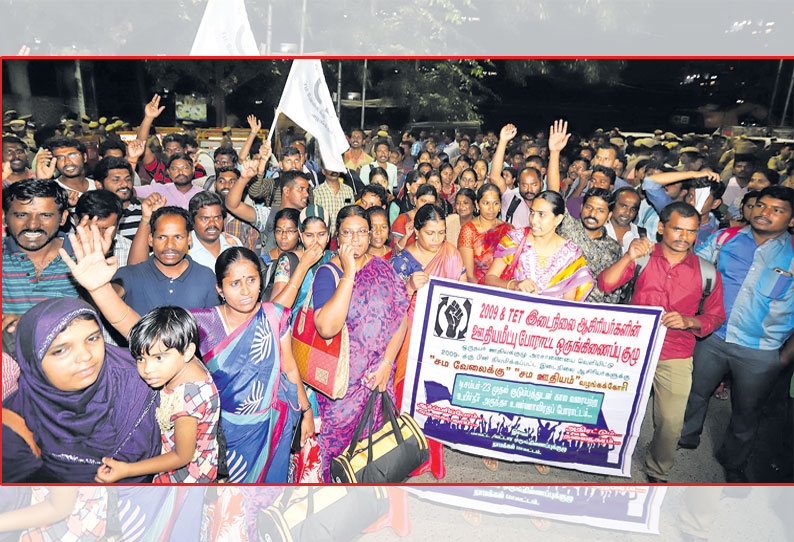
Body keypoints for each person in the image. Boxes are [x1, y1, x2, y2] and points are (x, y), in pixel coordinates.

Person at [62, 231, 315, 483]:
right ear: (220, 288)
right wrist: (99, 290)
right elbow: (142, 330)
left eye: (251, 280)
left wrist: (306, 412)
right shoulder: (206, 322)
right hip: (225, 434)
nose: (246, 290)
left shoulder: (275, 315)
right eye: (235, 283)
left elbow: (289, 368)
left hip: (272, 427)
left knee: (268, 500)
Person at [598, 202, 726, 483]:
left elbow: (715, 316)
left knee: (670, 422)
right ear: (661, 228)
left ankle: (657, 469)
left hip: (675, 352)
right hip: (632, 348)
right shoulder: (643, 257)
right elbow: (606, 284)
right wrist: (627, 256)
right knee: (614, 409)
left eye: (691, 231)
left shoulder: (707, 273)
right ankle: (605, 457)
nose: (684, 236)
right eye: (677, 228)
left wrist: (690, 321)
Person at [679, 185, 794, 482]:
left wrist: (783, 358)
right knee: (695, 393)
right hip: (713, 337)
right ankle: (686, 436)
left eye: (777, 210)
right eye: (761, 206)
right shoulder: (725, 238)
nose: (764, 213)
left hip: (760, 351)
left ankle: (733, 460)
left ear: (791, 220)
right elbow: (691, 267)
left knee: (747, 411)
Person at [2, 298, 159, 483]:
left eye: (92, 338)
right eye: (61, 350)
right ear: (32, 361)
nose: (86, 356)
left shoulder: (143, 378)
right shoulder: (16, 420)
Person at [311, 205, 410, 481]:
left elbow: (399, 318)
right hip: (342, 391)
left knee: (376, 455)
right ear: (337, 237)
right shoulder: (327, 274)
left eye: (361, 232)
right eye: (348, 233)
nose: (355, 239)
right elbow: (327, 328)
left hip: (379, 382)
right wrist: (349, 273)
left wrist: (387, 365)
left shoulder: (383, 269)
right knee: (339, 460)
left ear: (370, 235)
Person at [95, 307, 220, 483]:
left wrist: (127, 470)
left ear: (188, 351)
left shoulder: (187, 402)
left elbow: (181, 457)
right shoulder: (185, 361)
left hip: (186, 478)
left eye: (158, 358)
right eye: (140, 358)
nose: (147, 369)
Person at [390, 204, 466, 479]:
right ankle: (408, 455)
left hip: (442, 334)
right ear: (416, 232)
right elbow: (388, 304)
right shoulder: (402, 261)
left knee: (436, 396)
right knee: (407, 394)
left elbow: (463, 290)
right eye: (430, 233)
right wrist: (409, 286)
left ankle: (434, 457)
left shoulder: (451, 253)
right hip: (409, 333)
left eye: (441, 233)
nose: (437, 239)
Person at [484, 190, 594, 301]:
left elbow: (568, 306)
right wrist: (514, 285)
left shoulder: (571, 256)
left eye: (541, 214)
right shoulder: (516, 239)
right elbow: (489, 279)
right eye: (532, 212)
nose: (533, 220)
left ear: (558, 219)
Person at [2, 180, 80, 335]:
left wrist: (29, 322)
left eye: (45, 215)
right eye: (21, 215)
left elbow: (91, 318)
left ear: (63, 218)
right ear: (4, 217)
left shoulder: (82, 257)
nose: (32, 225)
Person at [113, 205, 219, 316]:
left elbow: (213, 325)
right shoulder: (129, 274)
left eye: (178, 237)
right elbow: (110, 295)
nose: (170, 245)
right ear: (150, 240)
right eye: (162, 237)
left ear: (189, 239)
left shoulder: (206, 276)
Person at [270, 205, 334, 312]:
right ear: (301, 235)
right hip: (296, 327)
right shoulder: (288, 262)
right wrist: (303, 266)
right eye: (309, 235)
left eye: (321, 234)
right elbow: (275, 309)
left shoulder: (334, 258)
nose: (315, 241)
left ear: (328, 235)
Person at [458, 183, 513, 284]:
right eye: (486, 203)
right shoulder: (468, 231)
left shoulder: (508, 229)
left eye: (495, 203)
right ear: (477, 204)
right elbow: (469, 276)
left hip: (505, 288)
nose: (491, 209)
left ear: (500, 205)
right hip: (478, 290)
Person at [74, 189, 132, 267]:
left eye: (106, 229)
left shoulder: (130, 251)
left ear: (118, 224)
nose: (99, 236)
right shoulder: (61, 252)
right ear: (77, 221)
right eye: (92, 229)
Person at [187, 191, 242, 271]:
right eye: (205, 218)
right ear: (192, 221)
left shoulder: (234, 244)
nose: (212, 224)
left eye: (217, 218)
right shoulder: (184, 249)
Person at [93, 154, 143, 241]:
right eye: (116, 180)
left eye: (128, 179)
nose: (124, 184)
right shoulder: (92, 215)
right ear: (99, 184)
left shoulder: (145, 210)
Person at [134, 153, 204, 210]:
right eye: (175, 169)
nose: (180, 172)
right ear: (168, 172)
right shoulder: (159, 189)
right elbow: (130, 191)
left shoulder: (202, 194)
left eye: (185, 168)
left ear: (193, 170)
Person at [392, 184, 439, 250]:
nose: (426, 205)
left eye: (430, 203)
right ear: (415, 200)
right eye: (423, 201)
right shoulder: (403, 220)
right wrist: (407, 236)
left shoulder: (437, 221)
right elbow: (395, 251)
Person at [313, 168, 355, 236]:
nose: (334, 170)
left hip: (345, 236)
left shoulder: (348, 190)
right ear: (323, 171)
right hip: (325, 238)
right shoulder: (317, 192)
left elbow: (352, 214)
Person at [605, 186, 643, 254]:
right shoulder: (598, 231)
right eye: (624, 206)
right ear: (613, 205)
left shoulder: (641, 235)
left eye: (633, 209)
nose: (627, 212)